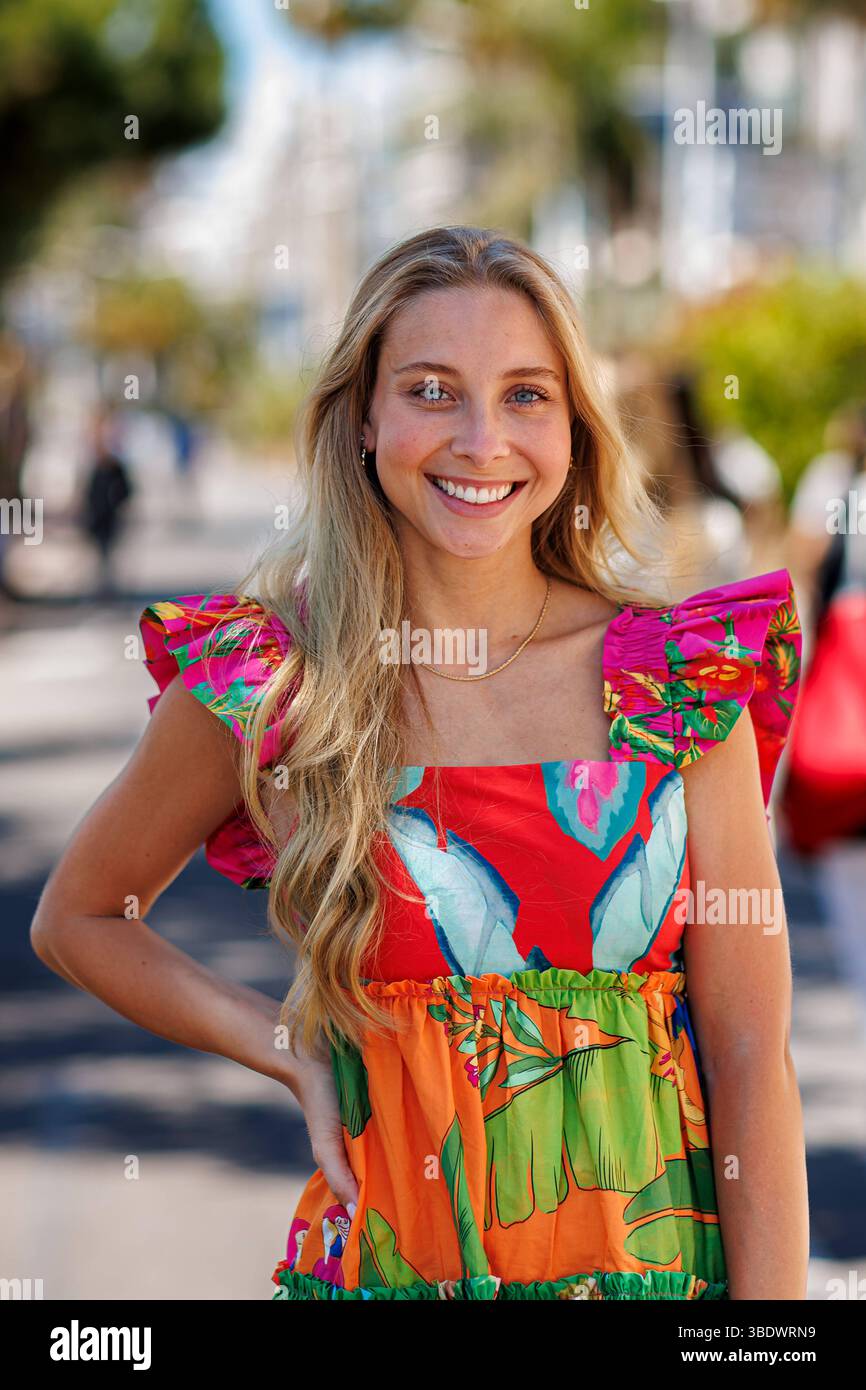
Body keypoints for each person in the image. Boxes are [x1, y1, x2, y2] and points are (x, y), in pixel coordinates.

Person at [30, 225, 808, 1301]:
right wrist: (286, 1047)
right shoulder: (271, 685)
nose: (481, 439)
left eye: (526, 394)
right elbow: (79, 915)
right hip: (385, 1272)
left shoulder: (673, 681)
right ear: (364, 417)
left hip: (658, 1281)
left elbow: (748, 1051)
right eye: (432, 390)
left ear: (575, 429)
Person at [79, 409, 134, 598]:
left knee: (108, 548)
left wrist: (118, 502)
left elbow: (126, 491)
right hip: (97, 514)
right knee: (100, 548)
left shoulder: (116, 467)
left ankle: (106, 583)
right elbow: (87, 492)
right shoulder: (93, 466)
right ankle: (102, 582)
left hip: (110, 514)